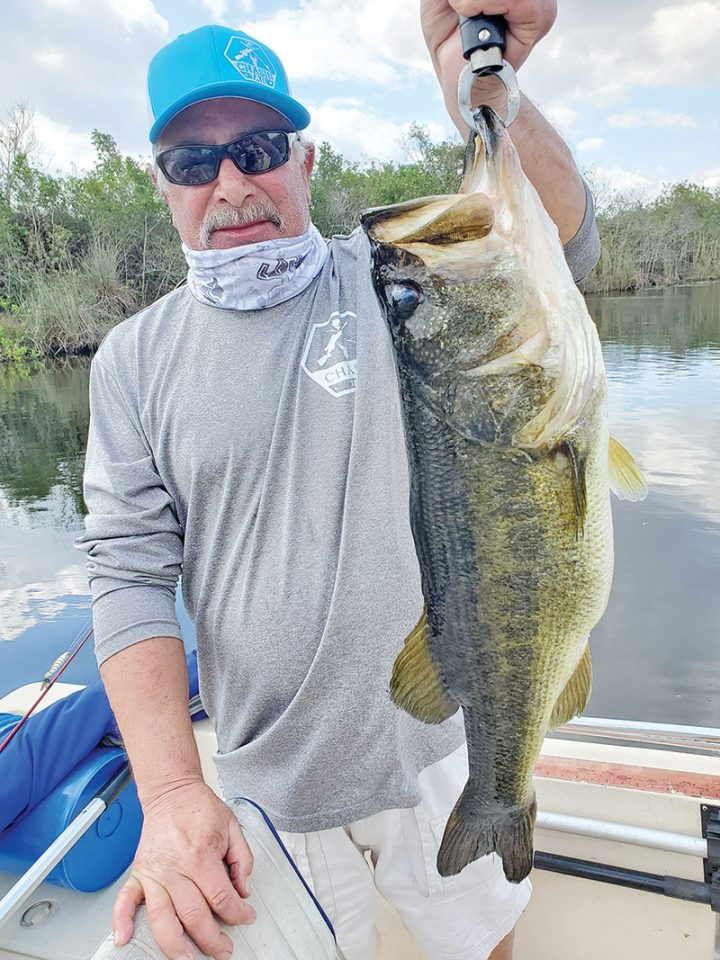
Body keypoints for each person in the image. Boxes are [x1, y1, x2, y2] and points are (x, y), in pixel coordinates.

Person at [76, 3, 600, 959]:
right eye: (195, 162)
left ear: (305, 161)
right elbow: (127, 574)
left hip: (446, 735)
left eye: (260, 146)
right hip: (269, 780)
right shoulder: (129, 362)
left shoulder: (410, 281)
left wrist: (484, 94)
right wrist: (173, 792)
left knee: (486, 945)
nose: (231, 182)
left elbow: (562, 240)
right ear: (162, 187)